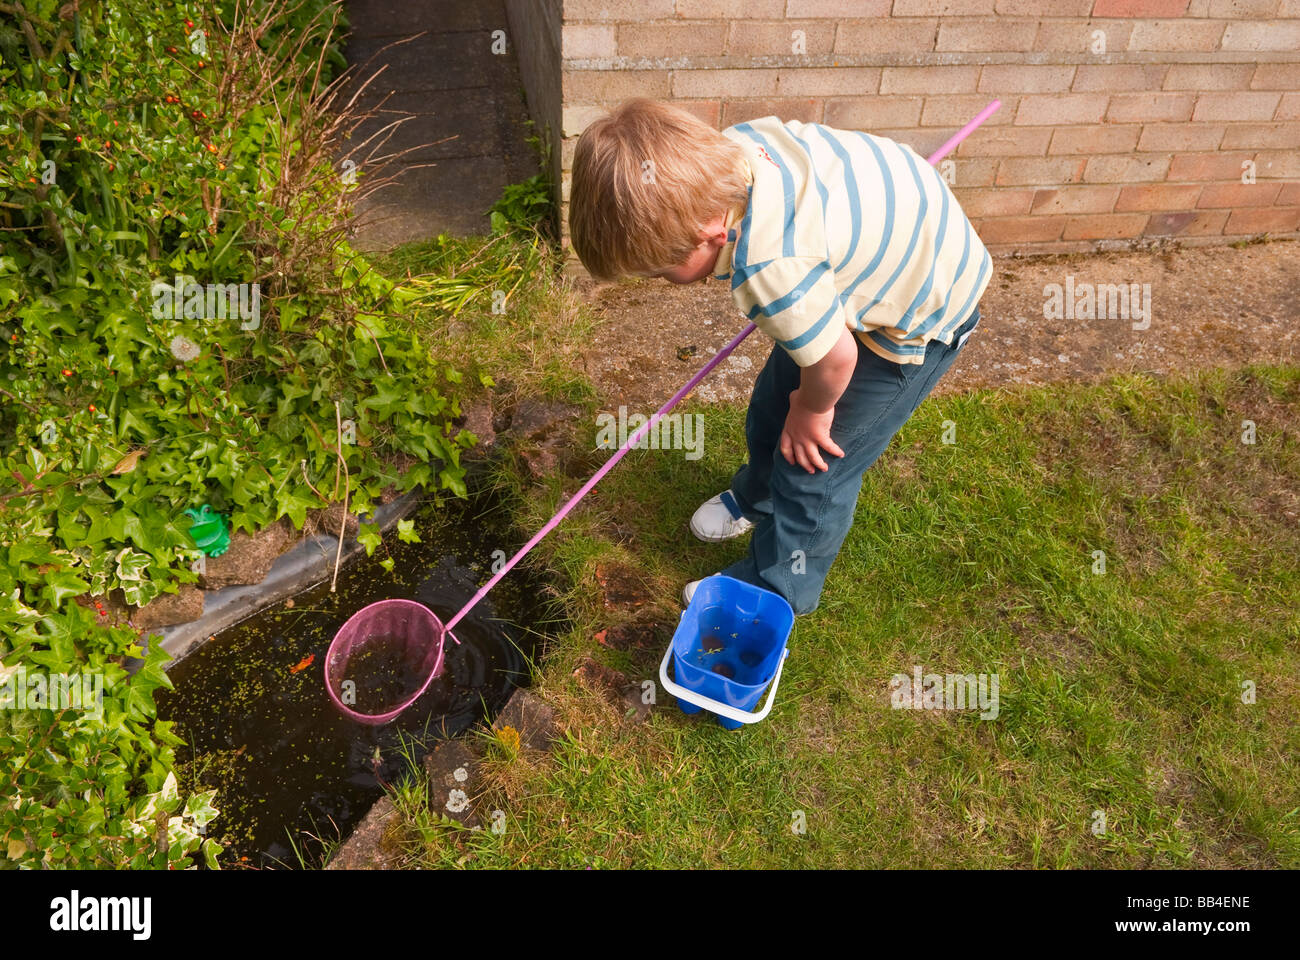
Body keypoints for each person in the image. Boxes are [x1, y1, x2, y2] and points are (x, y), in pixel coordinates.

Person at [568, 98, 990, 615]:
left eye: (660, 270)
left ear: (711, 236)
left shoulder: (771, 267)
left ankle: (773, 590)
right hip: (872, 258)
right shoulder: (736, 150)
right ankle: (756, 496)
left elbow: (834, 359)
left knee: (813, 466)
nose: (661, 281)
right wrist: (796, 401)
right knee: (774, 406)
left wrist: (813, 412)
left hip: (917, 315)